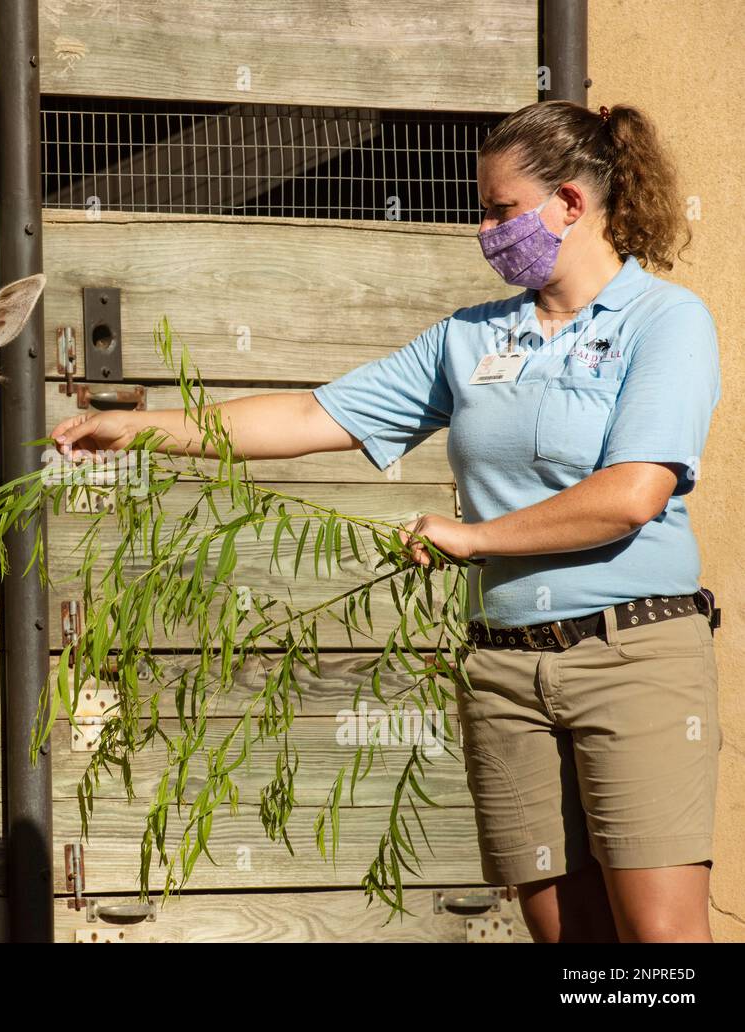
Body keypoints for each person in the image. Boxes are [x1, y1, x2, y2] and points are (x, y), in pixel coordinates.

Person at [49, 100, 722, 943]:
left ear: (572, 205)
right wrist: (151, 430)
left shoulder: (666, 322)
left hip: (633, 658)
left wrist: (472, 539)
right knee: (569, 946)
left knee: (660, 946)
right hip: (506, 670)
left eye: (499, 209)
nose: (484, 229)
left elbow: (632, 493)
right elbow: (308, 417)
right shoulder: (473, 339)